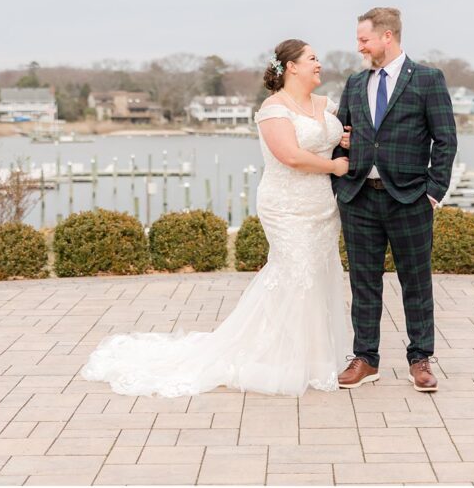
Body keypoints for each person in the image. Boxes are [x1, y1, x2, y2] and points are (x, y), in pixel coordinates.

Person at [81, 38, 352, 397]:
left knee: (319, 273)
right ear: (291, 67)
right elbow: (290, 155)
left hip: (321, 205)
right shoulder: (274, 108)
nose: (320, 64)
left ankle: (320, 357)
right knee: (294, 273)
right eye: (313, 58)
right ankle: (278, 358)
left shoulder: (326, 104)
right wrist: (334, 164)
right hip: (286, 204)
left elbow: (339, 133)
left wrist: (345, 140)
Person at [332, 7, 457, 392]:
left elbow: (446, 140)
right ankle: (365, 359)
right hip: (359, 199)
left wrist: (432, 193)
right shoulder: (355, 83)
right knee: (363, 283)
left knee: (416, 283)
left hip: (410, 200)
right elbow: (339, 136)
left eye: (364, 39)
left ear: (387, 37)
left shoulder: (427, 79)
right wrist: (341, 185)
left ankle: (420, 359)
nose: (359, 47)